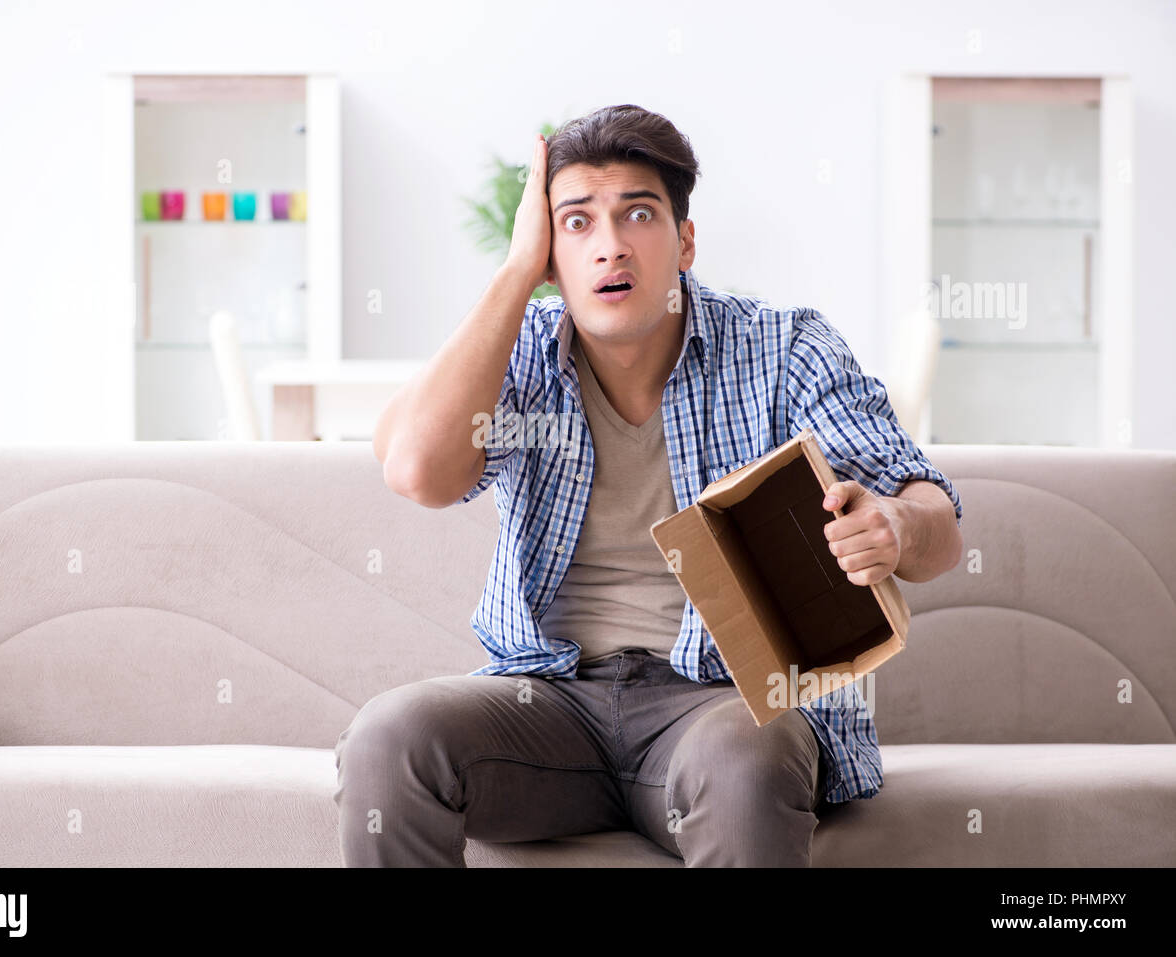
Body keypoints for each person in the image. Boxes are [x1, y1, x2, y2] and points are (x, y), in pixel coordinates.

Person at [335, 103, 964, 867]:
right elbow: (415, 471)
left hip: (720, 704)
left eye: (638, 213)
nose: (610, 247)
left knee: (747, 755)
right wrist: (513, 276)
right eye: (576, 223)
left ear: (685, 240)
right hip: (549, 703)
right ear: (547, 255)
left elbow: (936, 523)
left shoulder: (783, 346)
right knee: (389, 737)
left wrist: (895, 525)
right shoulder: (526, 351)